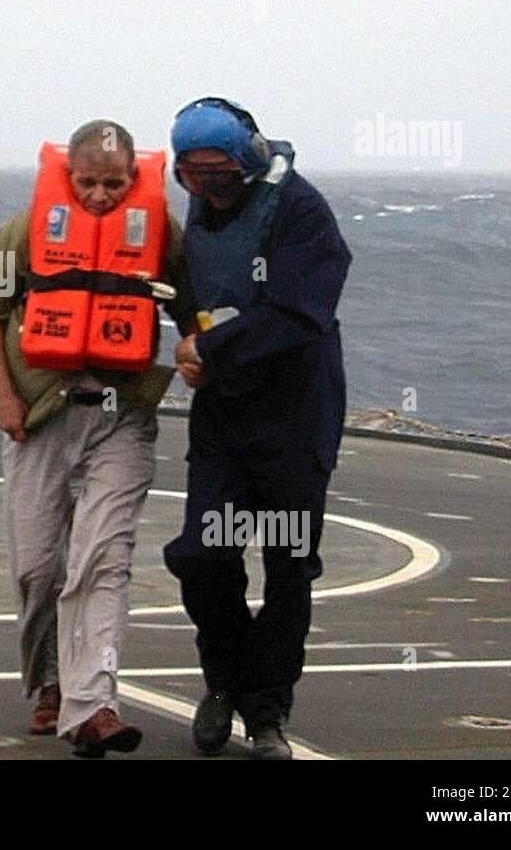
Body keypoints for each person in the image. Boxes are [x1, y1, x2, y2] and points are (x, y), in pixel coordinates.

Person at [0, 120, 196, 758]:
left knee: (103, 561)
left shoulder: (158, 230)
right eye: (87, 182)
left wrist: (201, 343)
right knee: (40, 568)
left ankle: (96, 705)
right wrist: (4, 395)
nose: (99, 197)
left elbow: (194, 305)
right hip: (38, 416)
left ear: (134, 179)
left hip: (121, 417)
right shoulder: (30, 225)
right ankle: (50, 685)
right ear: (69, 174)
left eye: (114, 184)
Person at [162, 97, 351, 760]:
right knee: (201, 553)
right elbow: (194, 289)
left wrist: (210, 353)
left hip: (295, 414)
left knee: (289, 564)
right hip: (224, 413)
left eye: (217, 176)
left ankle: (266, 712)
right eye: (192, 178)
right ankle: (224, 678)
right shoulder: (201, 210)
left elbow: (299, 312)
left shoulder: (301, 211)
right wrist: (186, 336)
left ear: (247, 162)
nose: (207, 190)